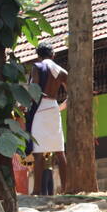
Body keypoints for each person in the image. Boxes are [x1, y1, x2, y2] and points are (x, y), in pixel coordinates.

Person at [28, 43, 69, 195]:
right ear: (53, 55)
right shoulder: (61, 71)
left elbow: (35, 90)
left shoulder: (37, 67)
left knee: (38, 152)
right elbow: (72, 92)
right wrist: (60, 106)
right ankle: (65, 189)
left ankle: (37, 190)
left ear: (38, 55)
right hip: (53, 107)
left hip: (40, 109)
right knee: (60, 151)